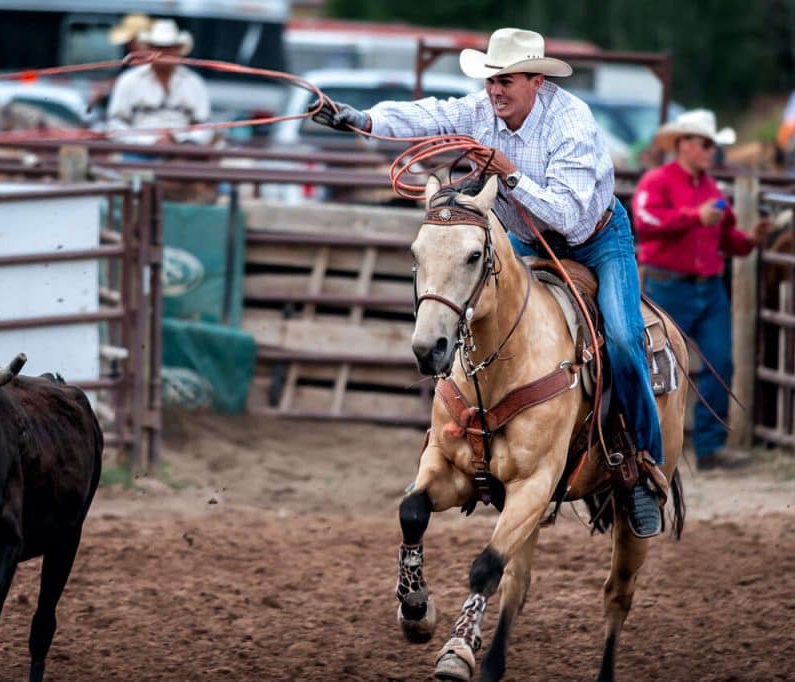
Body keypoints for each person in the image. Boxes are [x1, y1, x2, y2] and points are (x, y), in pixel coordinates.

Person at [310, 27, 667, 538]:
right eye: (491, 80)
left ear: (536, 82)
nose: (495, 90)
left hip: (594, 239)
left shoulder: (572, 124)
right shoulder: (481, 111)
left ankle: (641, 467)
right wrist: (361, 118)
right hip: (523, 239)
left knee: (628, 341)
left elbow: (566, 216)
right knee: (481, 321)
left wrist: (511, 173)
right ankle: (479, 443)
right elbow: (427, 115)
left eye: (507, 81)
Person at [632, 109, 770, 470]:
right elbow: (645, 223)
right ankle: (649, 445)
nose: (712, 151)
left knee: (720, 361)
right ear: (685, 144)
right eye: (707, 144)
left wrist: (750, 242)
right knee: (657, 365)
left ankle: (708, 447)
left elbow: (727, 238)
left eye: (713, 145)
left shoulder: (710, 189)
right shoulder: (659, 182)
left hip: (705, 288)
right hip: (668, 285)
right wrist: (694, 218)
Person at [105, 18, 213, 146]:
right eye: (158, 48)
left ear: (178, 50)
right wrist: (149, 142)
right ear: (149, 49)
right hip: (137, 150)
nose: (163, 53)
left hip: (184, 152)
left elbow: (205, 124)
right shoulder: (129, 80)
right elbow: (115, 124)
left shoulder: (194, 82)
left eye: (169, 48)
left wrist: (188, 142)